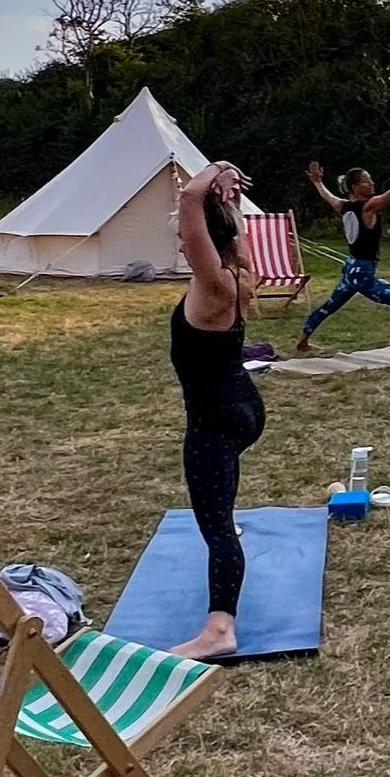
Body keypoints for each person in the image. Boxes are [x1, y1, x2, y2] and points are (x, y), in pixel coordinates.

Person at [168, 159, 266, 661]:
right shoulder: (239, 273)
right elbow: (222, 228)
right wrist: (230, 198)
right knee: (221, 485)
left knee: (216, 531)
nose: (181, 242)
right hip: (245, 406)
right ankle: (227, 521)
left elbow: (189, 204)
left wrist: (217, 170)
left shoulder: (213, 285)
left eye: (186, 238)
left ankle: (219, 630)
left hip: (215, 417)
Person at [295, 154, 390, 366]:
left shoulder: (343, 206)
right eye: (367, 180)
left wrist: (317, 182)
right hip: (362, 272)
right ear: (356, 186)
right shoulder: (368, 207)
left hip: (351, 268)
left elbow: (328, 196)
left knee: (330, 305)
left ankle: (302, 342)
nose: (372, 183)